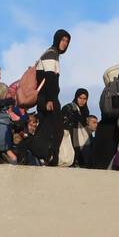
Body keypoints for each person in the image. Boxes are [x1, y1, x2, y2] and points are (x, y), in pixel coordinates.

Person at [36, 30, 71, 165]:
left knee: (46, 128)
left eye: (67, 41)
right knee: (57, 130)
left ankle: (44, 157)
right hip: (48, 98)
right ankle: (51, 159)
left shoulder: (52, 53)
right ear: (56, 39)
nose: (65, 43)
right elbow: (50, 78)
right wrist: (50, 99)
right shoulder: (51, 54)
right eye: (62, 40)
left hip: (46, 97)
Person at [59, 88, 90, 167]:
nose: (82, 101)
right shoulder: (68, 108)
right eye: (80, 98)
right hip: (69, 136)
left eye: (84, 99)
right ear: (76, 97)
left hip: (79, 140)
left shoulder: (85, 111)